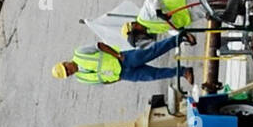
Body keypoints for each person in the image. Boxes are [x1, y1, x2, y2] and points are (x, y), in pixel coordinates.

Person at [53, 34, 191, 85]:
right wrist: (115, 80)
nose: (70, 71)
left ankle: (179, 38)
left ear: (66, 63)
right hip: (124, 74)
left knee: (152, 52)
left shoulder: (80, 53)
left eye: (67, 69)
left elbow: (99, 46)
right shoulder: (81, 78)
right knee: (153, 75)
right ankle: (183, 72)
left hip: (123, 59)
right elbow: (100, 81)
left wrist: (117, 55)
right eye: (68, 73)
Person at [123, 0, 197, 47]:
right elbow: (168, 28)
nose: (141, 36)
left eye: (138, 34)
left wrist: (158, 12)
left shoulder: (143, 17)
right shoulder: (149, 29)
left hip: (183, 3)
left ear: (135, 26)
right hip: (188, 15)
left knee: (207, 0)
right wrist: (185, 35)